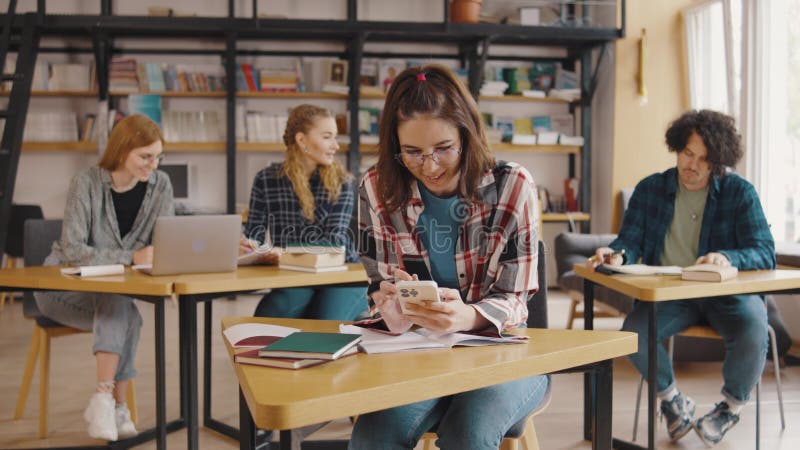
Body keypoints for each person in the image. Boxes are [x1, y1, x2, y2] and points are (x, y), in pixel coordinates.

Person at [352, 64, 549, 450]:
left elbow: (515, 299)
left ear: (467, 133)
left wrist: (469, 316)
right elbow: (378, 290)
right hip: (419, 351)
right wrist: (392, 305)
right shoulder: (376, 188)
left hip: (503, 352)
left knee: (469, 432)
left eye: (443, 148)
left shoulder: (513, 186)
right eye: (412, 152)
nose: (429, 166)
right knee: (375, 431)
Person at [587, 110, 774, 446]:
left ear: (717, 161)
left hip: (728, 295)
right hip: (672, 294)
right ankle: (673, 401)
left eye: (705, 159)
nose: (693, 165)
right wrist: (616, 254)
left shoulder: (740, 192)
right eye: (688, 153)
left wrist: (728, 256)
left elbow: (764, 251)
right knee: (634, 334)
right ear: (677, 147)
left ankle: (728, 409)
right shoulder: (650, 190)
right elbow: (630, 241)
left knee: (754, 329)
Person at [35, 114, 174, 441]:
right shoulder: (86, 182)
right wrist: (130, 257)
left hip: (114, 292)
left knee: (120, 307)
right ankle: (115, 404)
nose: (152, 165)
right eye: (145, 156)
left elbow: (165, 239)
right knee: (125, 313)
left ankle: (105, 402)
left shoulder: (161, 185)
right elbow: (72, 249)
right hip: (61, 288)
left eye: (158, 157)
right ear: (122, 150)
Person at [243, 104, 367, 320]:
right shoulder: (266, 179)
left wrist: (284, 252)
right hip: (295, 276)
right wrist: (252, 249)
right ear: (302, 141)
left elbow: (334, 244)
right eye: (327, 137)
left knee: (325, 320)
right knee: (267, 315)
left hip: (343, 275)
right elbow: (254, 234)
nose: (336, 146)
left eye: (335, 137)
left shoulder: (343, 182)